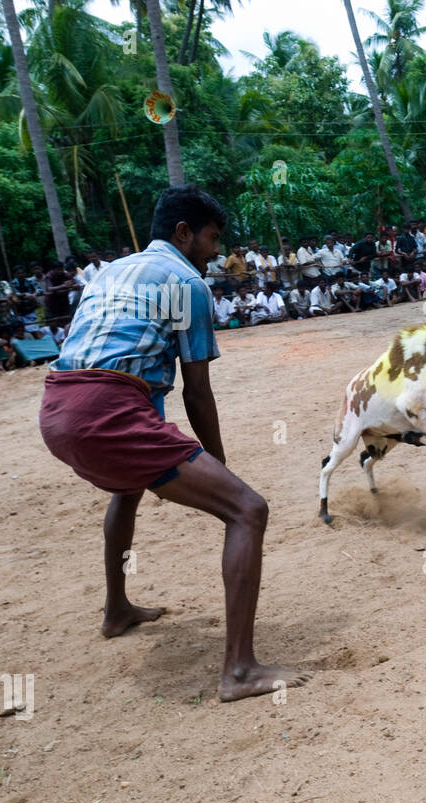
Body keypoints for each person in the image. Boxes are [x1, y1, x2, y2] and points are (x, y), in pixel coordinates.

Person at [39, 185, 306, 702]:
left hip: (56, 408)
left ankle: (117, 611)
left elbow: (120, 360)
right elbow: (198, 391)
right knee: (248, 510)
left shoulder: (111, 270)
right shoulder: (187, 283)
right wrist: (221, 469)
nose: (214, 251)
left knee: (128, 488)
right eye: (211, 238)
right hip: (106, 411)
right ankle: (239, 672)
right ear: (183, 233)